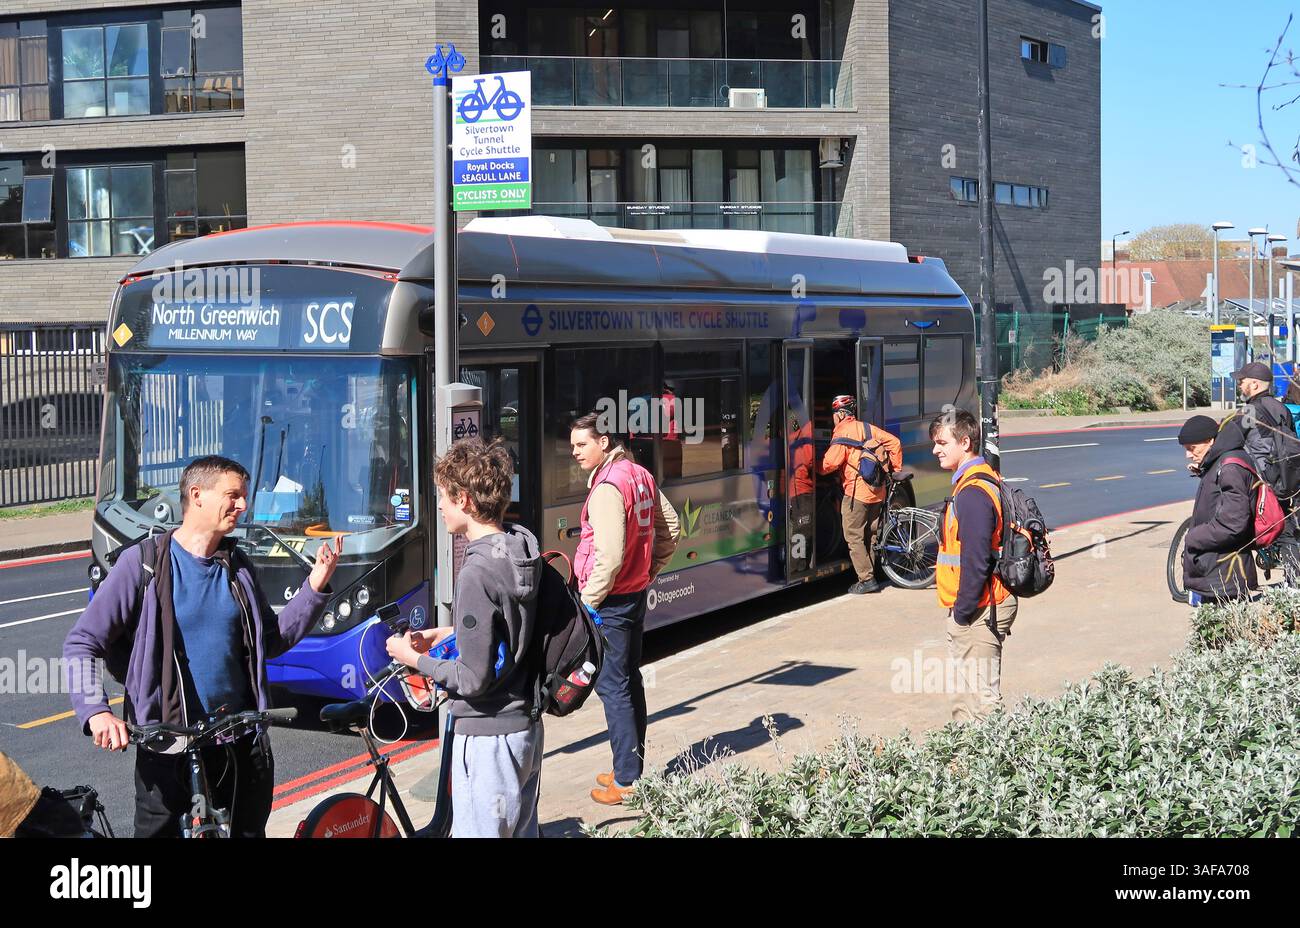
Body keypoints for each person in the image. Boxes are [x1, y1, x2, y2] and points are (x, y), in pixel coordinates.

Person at [63, 455, 339, 838]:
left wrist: (315, 587)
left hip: (239, 744)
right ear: (197, 495)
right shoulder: (143, 565)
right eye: (233, 495)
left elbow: (271, 640)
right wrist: (96, 712)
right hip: (167, 746)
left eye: (244, 496)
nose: (243, 505)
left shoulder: (236, 566)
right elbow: (82, 642)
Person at [385, 437, 544, 838]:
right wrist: (448, 632)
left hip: (489, 736)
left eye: (443, 497)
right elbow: (510, 627)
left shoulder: (475, 573)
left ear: (465, 501)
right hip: (525, 727)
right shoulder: (519, 549)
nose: (439, 507)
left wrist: (412, 659)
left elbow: (472, 678)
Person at [569, 412, 680, 805]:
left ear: (604, 442)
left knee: (612, 686)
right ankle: (627, 766)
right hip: (632, 597)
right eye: (573, 446)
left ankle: (628, 781)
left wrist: (586, 604)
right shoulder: (638, 473)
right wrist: (648, 570)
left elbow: (609, 556)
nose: (576, 452)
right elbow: (672, 526)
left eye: (582, 445)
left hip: (611, 604)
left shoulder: (606, 489)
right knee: (629, 679)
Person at [930, 408, 1017, 722]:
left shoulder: (972, 493)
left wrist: (962, 613)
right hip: (980, 604)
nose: (935, 449)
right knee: (968, 698)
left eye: (942, 442)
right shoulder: (975, 481)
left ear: (965, 442)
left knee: (981, 703)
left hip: (980, 608)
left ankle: (995, 765)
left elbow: (976, 561)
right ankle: (969, 763)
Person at [819, 394, 903, 594]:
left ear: (840, 414)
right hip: (877, 490)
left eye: (833, 414)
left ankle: (866, 579)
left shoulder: (841, 433)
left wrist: (814, 468)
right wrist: (894, 470)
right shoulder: (867, 428)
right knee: (871, 534)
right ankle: (872, 573)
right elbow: (895, 443)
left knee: (853, 535)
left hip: (856, 492)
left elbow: (829, 464)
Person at [1178, 414, 1258, 604]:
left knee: (1224, 630)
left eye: (1192, 448)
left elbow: (1233, 523)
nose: (1188, 454)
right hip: (1218, 569)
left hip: (1224, 572)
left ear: (1210, 441)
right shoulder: (1221, 460)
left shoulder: (1229, 467)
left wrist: (1193, 537)